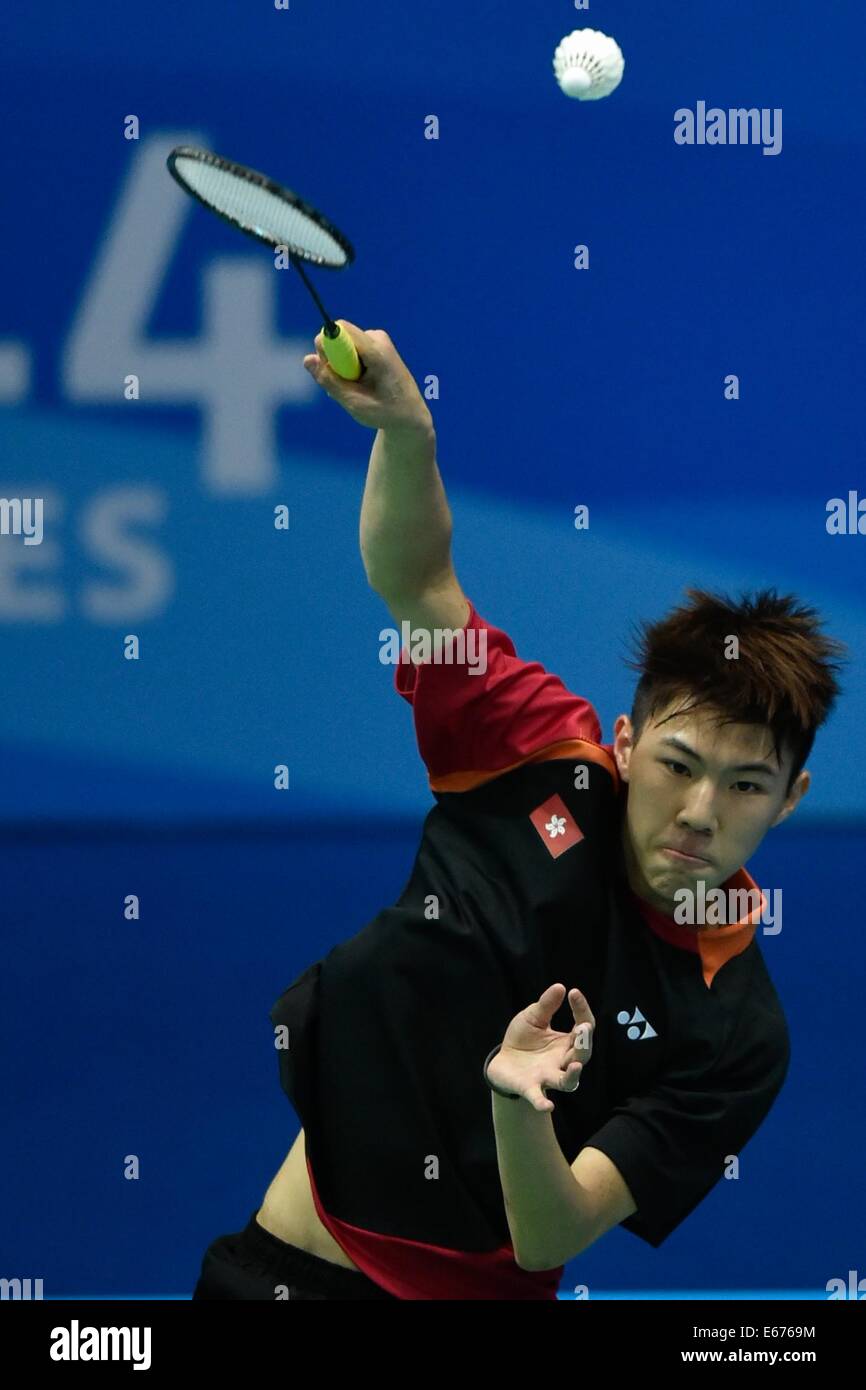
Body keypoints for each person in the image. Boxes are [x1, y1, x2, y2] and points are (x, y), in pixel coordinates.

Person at [192, 324, 847, 1300]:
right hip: (275, 1271)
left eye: (745, 785)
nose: (700, 811)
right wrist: (408, 438)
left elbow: (551, 1236)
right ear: (624, 742)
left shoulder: (737, 1029)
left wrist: (517, 1100)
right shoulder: (534, 751)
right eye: (676, 764)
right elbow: (417, 587)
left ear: (789, 799)